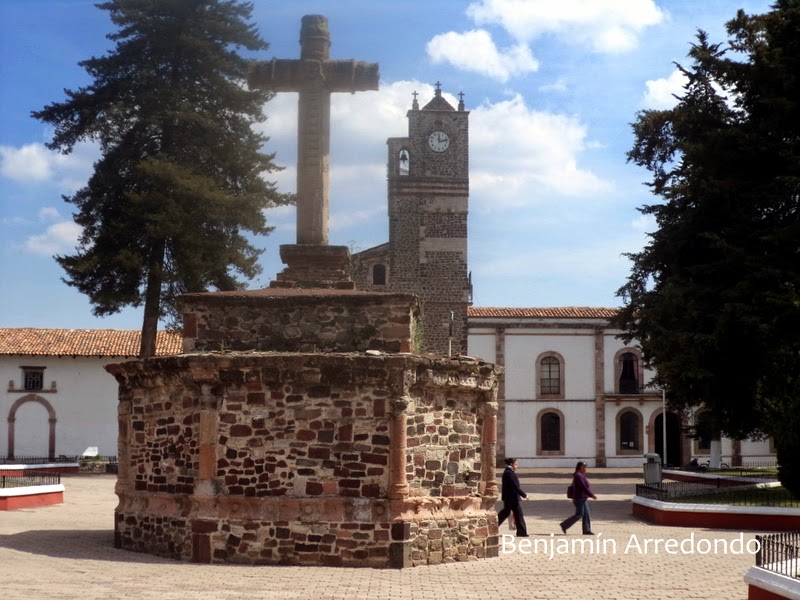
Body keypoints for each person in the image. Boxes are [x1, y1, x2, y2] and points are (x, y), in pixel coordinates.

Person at [559, 461, 597, 535]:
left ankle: (586, 530)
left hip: (582, 498)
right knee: (579, 514)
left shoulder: (579, 475)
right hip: (579, 498)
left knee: (586, 514)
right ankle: (565, 524)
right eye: (585, 467)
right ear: (582, 467)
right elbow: (583, 487)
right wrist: (591, 495)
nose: (586, 469)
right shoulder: (578, 476)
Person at [497, 457, 528, 536]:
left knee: (506, 513)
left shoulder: (509, 472)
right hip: (512, 497)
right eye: (516, 464)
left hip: (510, 497)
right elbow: (515, 486)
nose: (517, 466)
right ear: (511, 464)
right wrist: (524, 495)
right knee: (518, 514)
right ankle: (521, 532)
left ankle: (493, 526)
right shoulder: (509, 473)